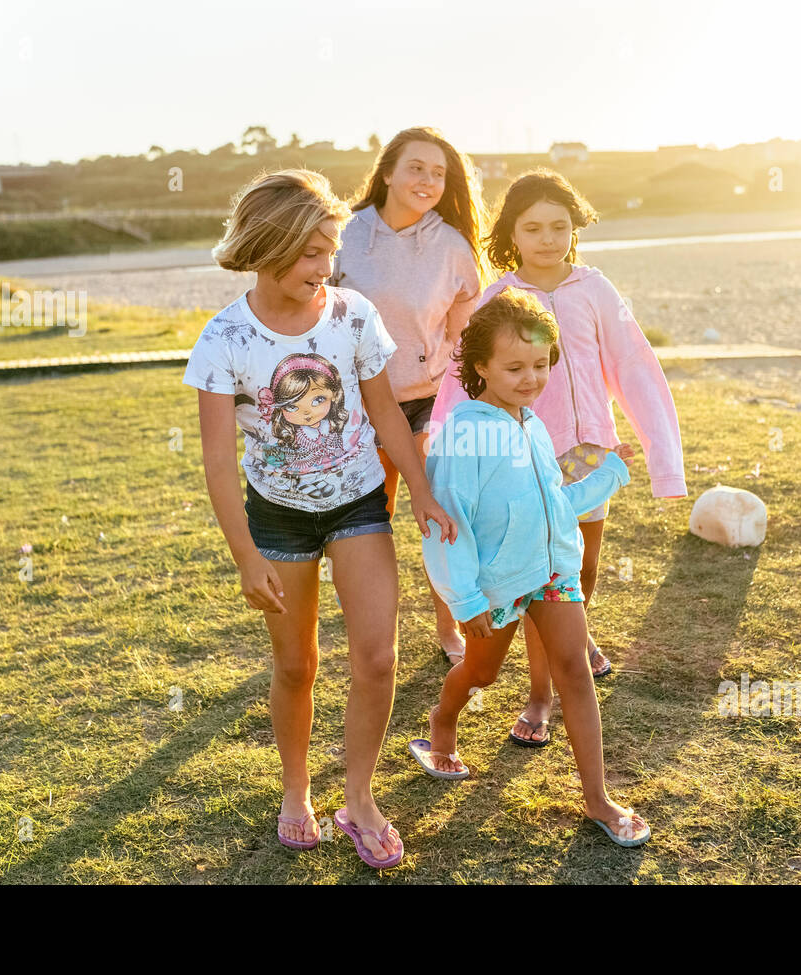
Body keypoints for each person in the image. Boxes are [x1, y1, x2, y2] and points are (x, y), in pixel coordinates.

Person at [183, 169, 456, 868]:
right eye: (310, 252)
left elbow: (387, 413)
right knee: (297, 664)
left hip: (360, 500)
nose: (324, 266)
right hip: (278, 519)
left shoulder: (353, 315)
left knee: (377, 655)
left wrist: (419, 489)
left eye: (330, 250)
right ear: (267, 246)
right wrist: (246, 554)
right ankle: (297, 790)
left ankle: (359, 797)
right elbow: (218, 462)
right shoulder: (224, 339)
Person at [431, 168, 687, 748]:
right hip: (519, 468)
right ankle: (540, 696)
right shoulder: (497, 299)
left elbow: (635, 367)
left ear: (575, 229)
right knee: (536, 579)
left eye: (559, 226)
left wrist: (662, 460)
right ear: (511, 234)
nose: (548, 238)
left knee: (578, 574)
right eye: (533, 227)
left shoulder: (596, 289)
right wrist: (445, 458)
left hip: (587, 456)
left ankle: (573, 645)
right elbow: (458, 382)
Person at [411, 288, 650, 847]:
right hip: (495, 584)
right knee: (481, 673)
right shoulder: (465, 436)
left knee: (576, 674)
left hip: (553, 573)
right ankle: (442, 723)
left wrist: (609, 474)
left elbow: (553, 505)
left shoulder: (532, 425)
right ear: (480, 367)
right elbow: (449, 525)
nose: (531, 378)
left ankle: (597, 799)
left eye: (541, 365)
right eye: (514, 367)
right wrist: (465, 600)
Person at [330, 126, 485, 666]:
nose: (427, 180)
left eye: (439, 173)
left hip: (428, 401)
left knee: (438, 516)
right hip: (355, 404)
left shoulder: (452, 247)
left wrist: (464, 405)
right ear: (388, 171)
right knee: (369, 523)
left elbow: (468, 337)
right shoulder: (343, 236)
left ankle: (450, 626)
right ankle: (374, 636)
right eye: (416, 168)